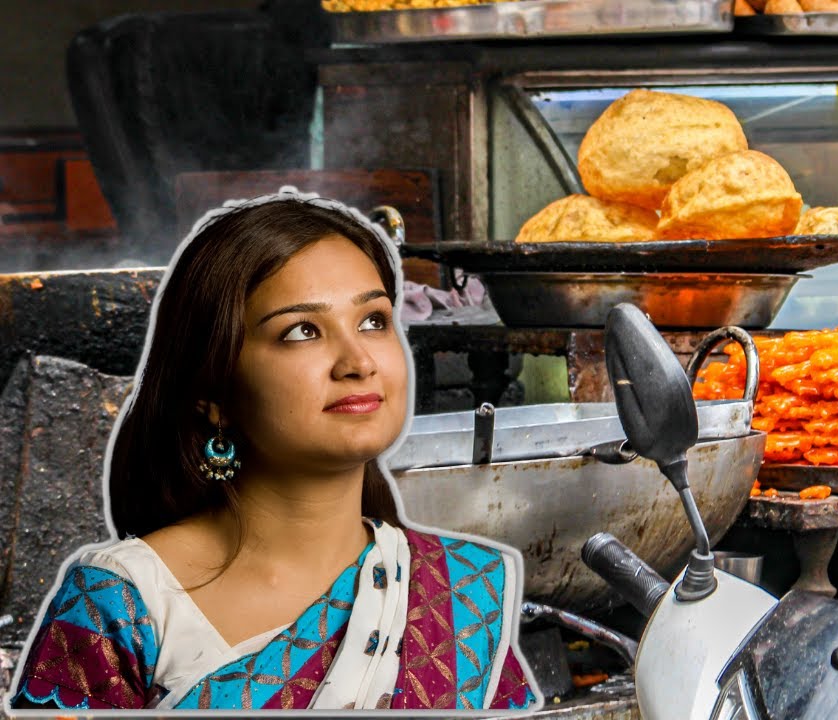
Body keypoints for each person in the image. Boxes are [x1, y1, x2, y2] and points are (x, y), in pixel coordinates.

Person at [4, 189, 540, 712]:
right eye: (302, 331)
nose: (358, 361)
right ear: (214, 394)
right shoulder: (121, 606)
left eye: (373, 321)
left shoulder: (461, 596)